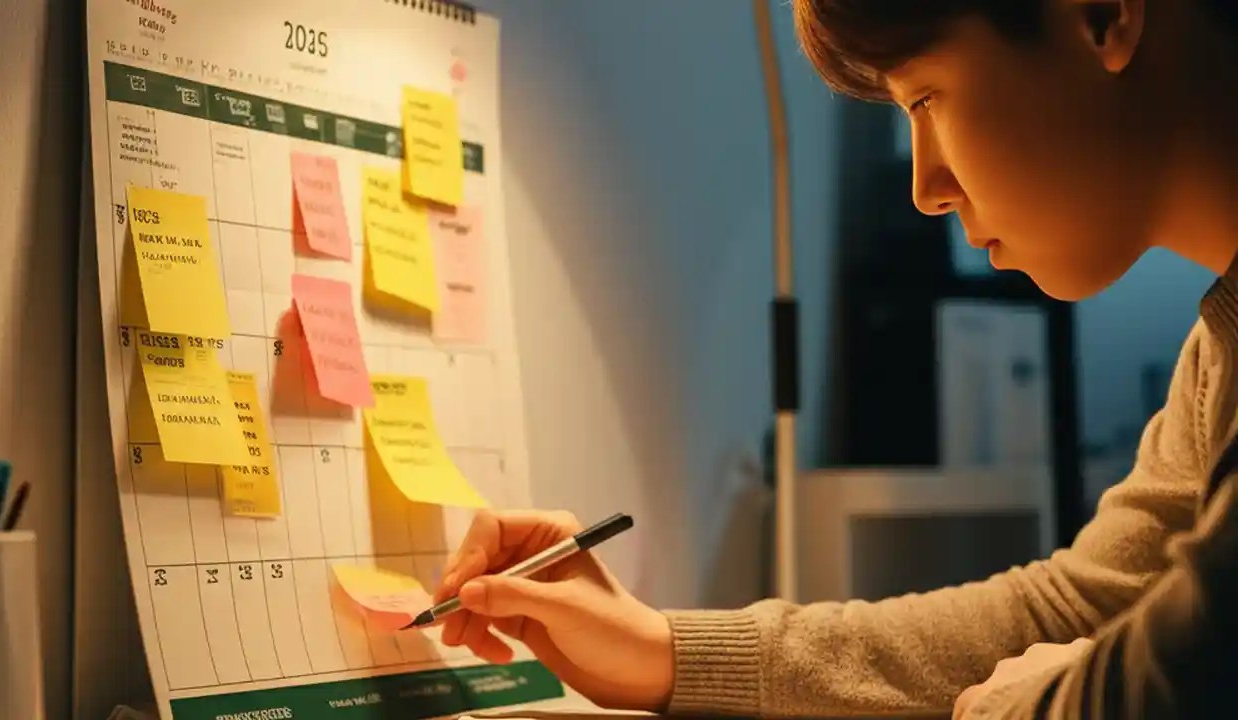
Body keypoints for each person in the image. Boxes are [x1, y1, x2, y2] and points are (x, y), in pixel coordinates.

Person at [430, 0, 1238, 717]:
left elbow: (1199, 663)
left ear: (1101, 14)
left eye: (924, 96)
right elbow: (1075, 612)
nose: (926, 187)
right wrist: (662, 649)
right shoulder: (1218, 359)